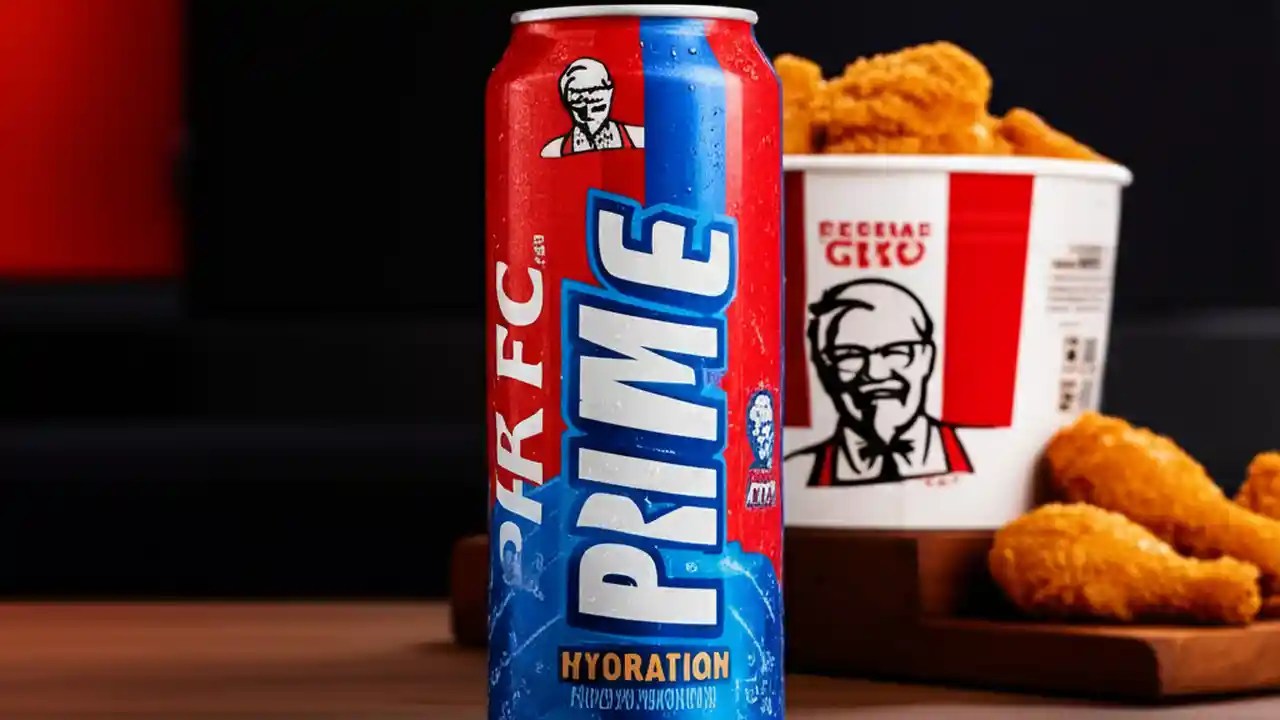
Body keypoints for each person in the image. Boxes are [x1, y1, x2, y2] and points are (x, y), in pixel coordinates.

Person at [785, 279, 972, 486]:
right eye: (849, 355)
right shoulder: (794, 473)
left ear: (926, 358)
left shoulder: (989, 465)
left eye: (896, 351)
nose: (875, 374)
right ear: (822, 367)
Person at [540, 58, 645, 158]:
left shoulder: (640, 139)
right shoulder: (554, 151)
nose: (589, 115)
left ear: (609, 94)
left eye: (597, 106)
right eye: (579, 107)